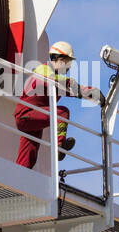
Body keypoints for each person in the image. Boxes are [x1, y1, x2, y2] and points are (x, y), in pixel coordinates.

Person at [14, 41, 101, 169]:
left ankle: (20, 177)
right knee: (61, 112)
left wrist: (92, 95)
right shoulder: (43, 69)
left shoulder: (55, 79)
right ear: (60, 60)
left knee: (29, 155)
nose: (70, 67)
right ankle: (59, 147)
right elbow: (54, 81)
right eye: (69, 63)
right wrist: (86, 90)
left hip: (33, 117)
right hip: (26, 115)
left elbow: (69, 90)